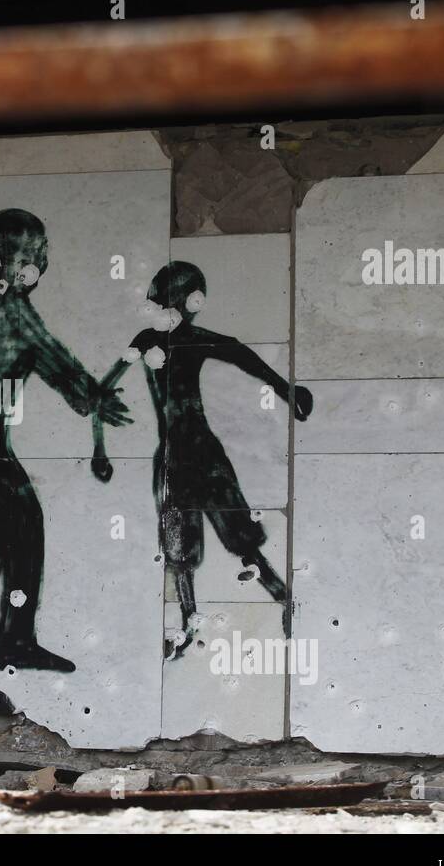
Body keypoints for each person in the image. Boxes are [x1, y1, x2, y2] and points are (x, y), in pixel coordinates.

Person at [92, 260, 312, 657]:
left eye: (165, 302)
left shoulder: (175, 339)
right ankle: (193, 623)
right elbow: (105, 388)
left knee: (232, 540)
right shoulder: (152, 339)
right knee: (183, 550)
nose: (161, 311)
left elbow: (240, 354)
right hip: (185, 456)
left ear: (186, 302)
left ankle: (280, 600)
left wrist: (287, 389)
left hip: (192, 455)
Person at [0, 209, 131, 673]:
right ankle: (15, 642)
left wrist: (88, 396)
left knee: (6, 520)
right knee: (25, 524)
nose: (42, 263)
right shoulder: (13, 309)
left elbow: (45, 359)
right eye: (38, 253)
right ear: (20, 264)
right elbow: (54, 358)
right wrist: (94, 399)